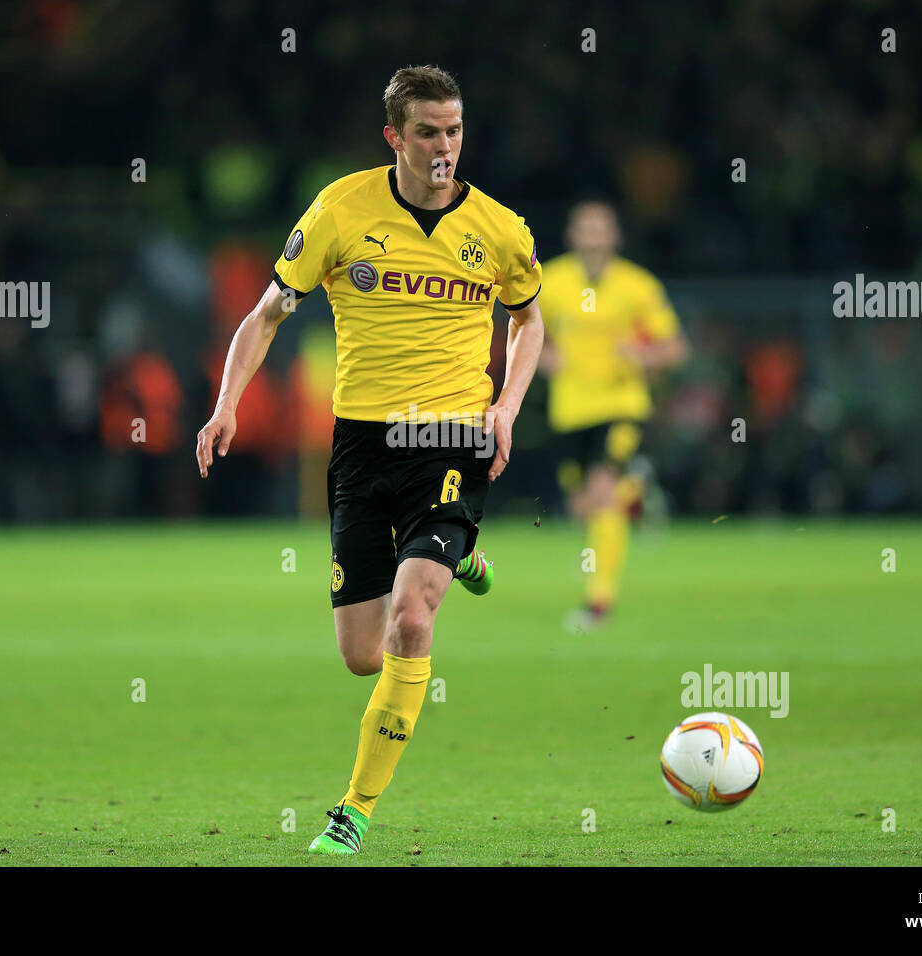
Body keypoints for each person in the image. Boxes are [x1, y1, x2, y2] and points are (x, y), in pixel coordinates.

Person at [195, 65, 544, 854]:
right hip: (362, 445)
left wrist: (507, 406)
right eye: (427, 132)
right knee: (363, 654)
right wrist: (226, 405)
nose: (444, 146)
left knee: (412, 620)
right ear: (394, 136)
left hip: (452, 436)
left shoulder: (500, 230)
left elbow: (530, 323)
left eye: (454, 130)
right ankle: (462, 555)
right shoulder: (340, 211)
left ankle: (354, 809)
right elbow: (267, 313)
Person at [538, 201, 688, 629]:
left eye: (601, 229)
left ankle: (599, 602)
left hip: (621, 406)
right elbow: (521, 327)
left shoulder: (638, 286)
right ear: (573, 235)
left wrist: (643, 354)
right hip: (569, 411)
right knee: (582, 505)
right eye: (586, 228)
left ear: (615, 237)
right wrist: (542, 355)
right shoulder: (550, 281)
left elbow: (676, 349)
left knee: (603, 493)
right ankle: (636, 495)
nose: (593, 237)